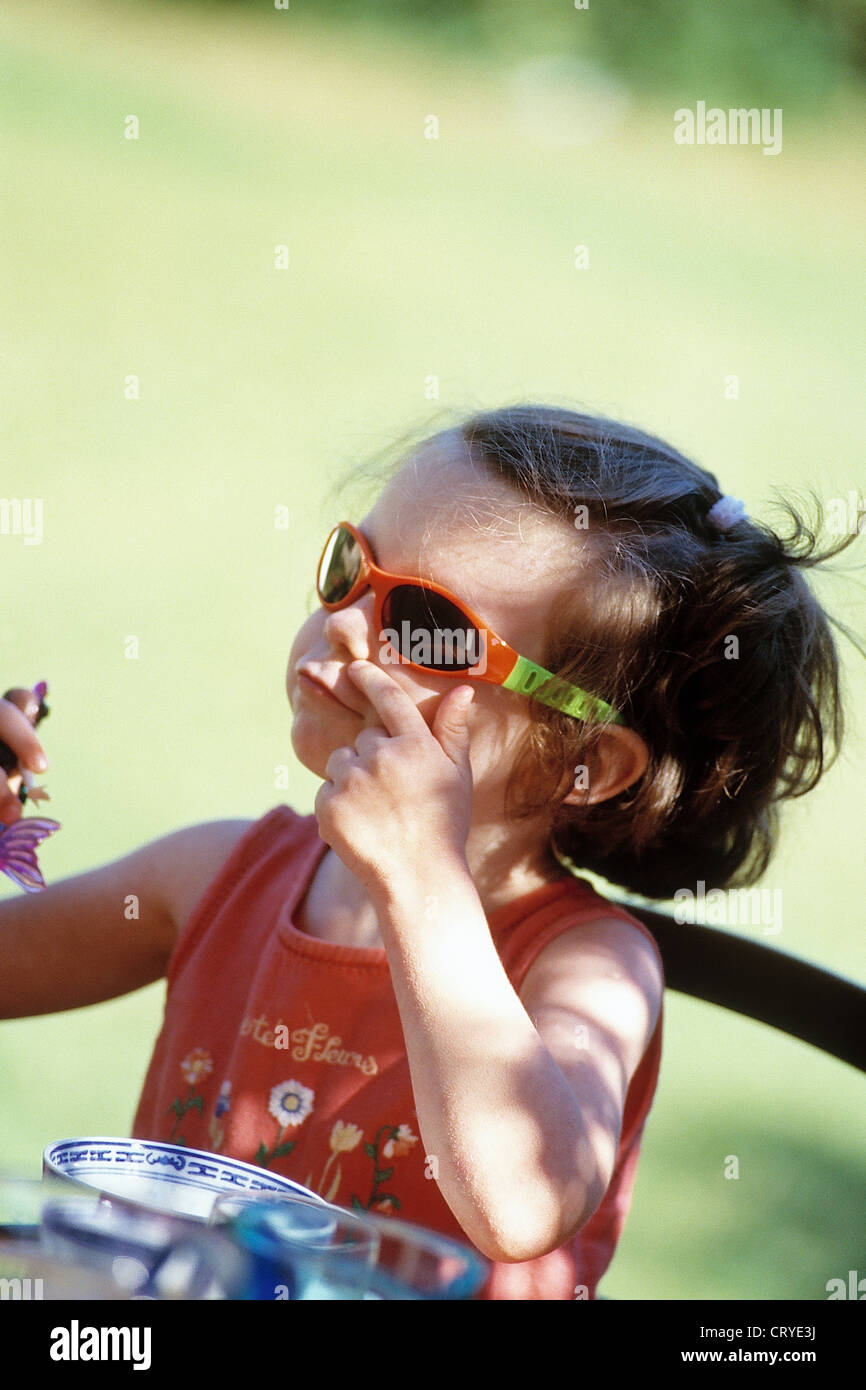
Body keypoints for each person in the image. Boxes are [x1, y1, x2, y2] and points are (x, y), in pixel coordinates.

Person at [1, 404, 856, 1299]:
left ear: (584, 761)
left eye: (424, 623)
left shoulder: (587, 966)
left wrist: (422, 882)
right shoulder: (211, 879)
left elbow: (523, 1205)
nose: (344, 624)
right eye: (349, 569)